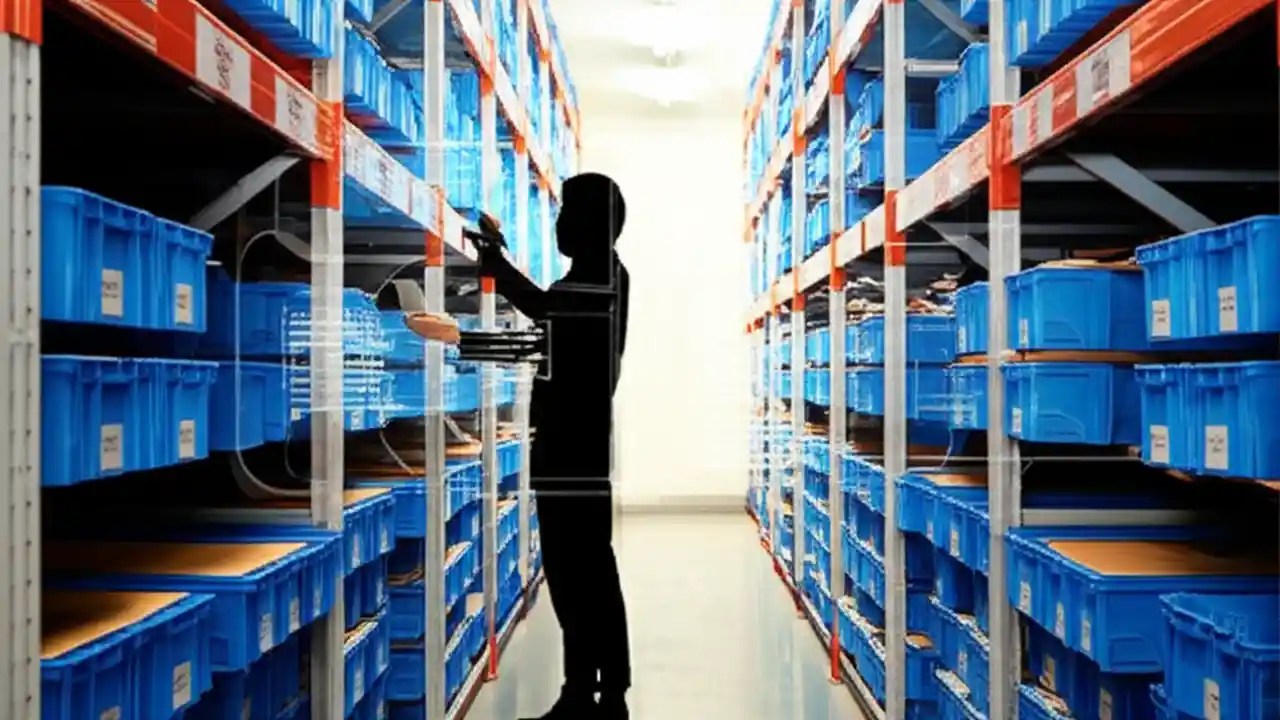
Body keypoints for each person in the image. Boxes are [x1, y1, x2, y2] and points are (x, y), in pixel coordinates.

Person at [477, 172, 632, 719]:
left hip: (572, 454)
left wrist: (492, 275)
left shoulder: (597, 281)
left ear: (589, 222)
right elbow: (552, 323)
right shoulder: (605, 276)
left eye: (567, 212)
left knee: (576, 576)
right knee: (587, 573)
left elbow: (546, 310)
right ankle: (591, 691)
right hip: (578, 451)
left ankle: (595, 694)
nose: (559, 223)